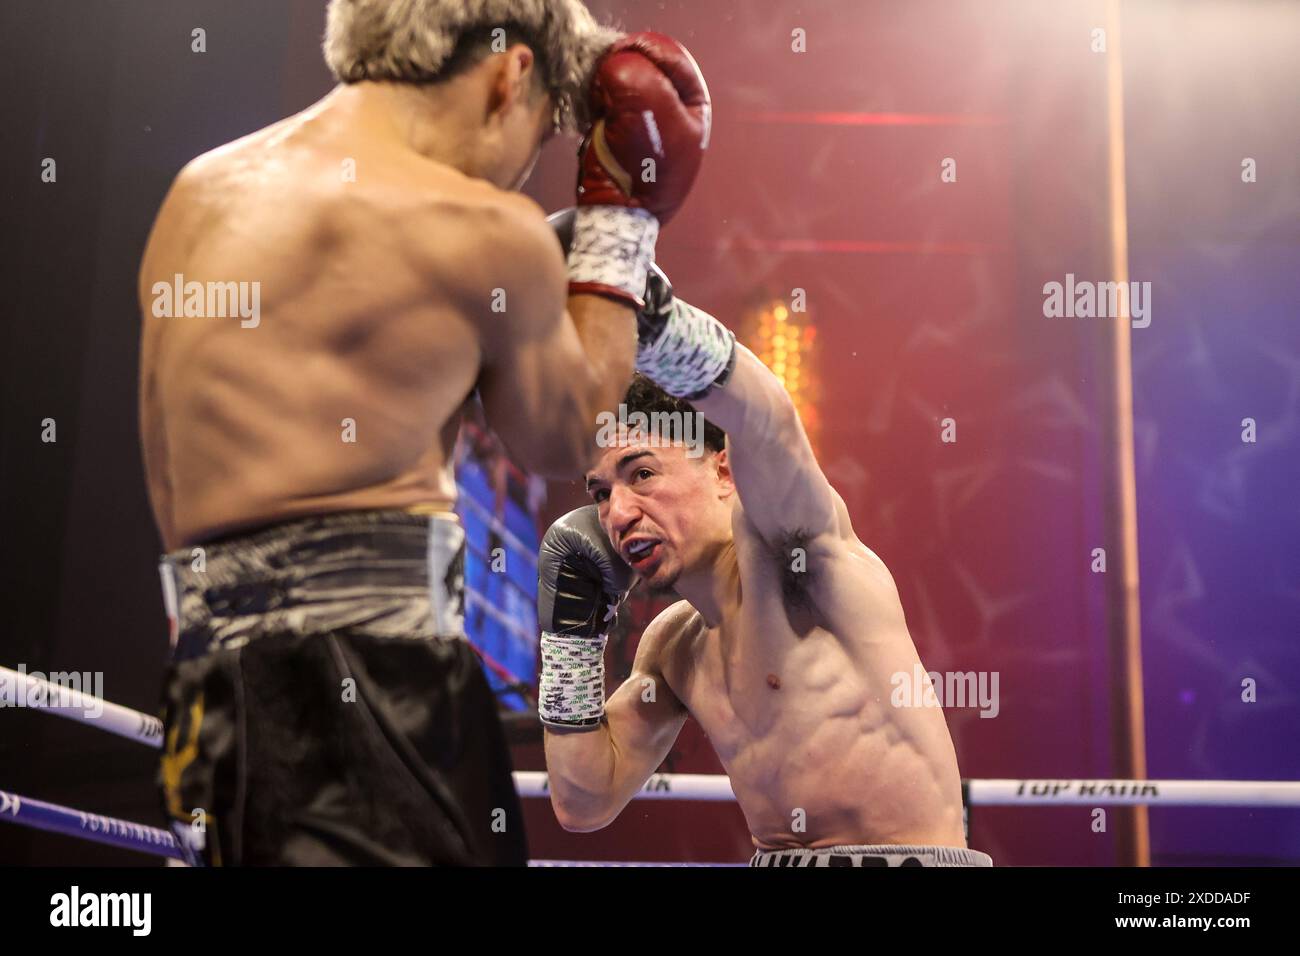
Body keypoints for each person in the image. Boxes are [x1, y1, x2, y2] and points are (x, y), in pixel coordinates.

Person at [137, 0, 710, 865]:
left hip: (212, 694)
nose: (525, 171)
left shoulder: (198, 191)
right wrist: (618, 223)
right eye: (543, 131)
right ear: (511, 73)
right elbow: (562, 436)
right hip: (373, 689)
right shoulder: (477, 228)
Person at [537, 277, 992, 867]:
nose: (618, 513)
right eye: (600, 492)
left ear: (724, 470)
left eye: (642, 473)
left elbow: (765, 419)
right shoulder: (673, 646)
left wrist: (660, 327)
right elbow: (583, 801)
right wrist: (569, 636)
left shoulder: (786, 553)